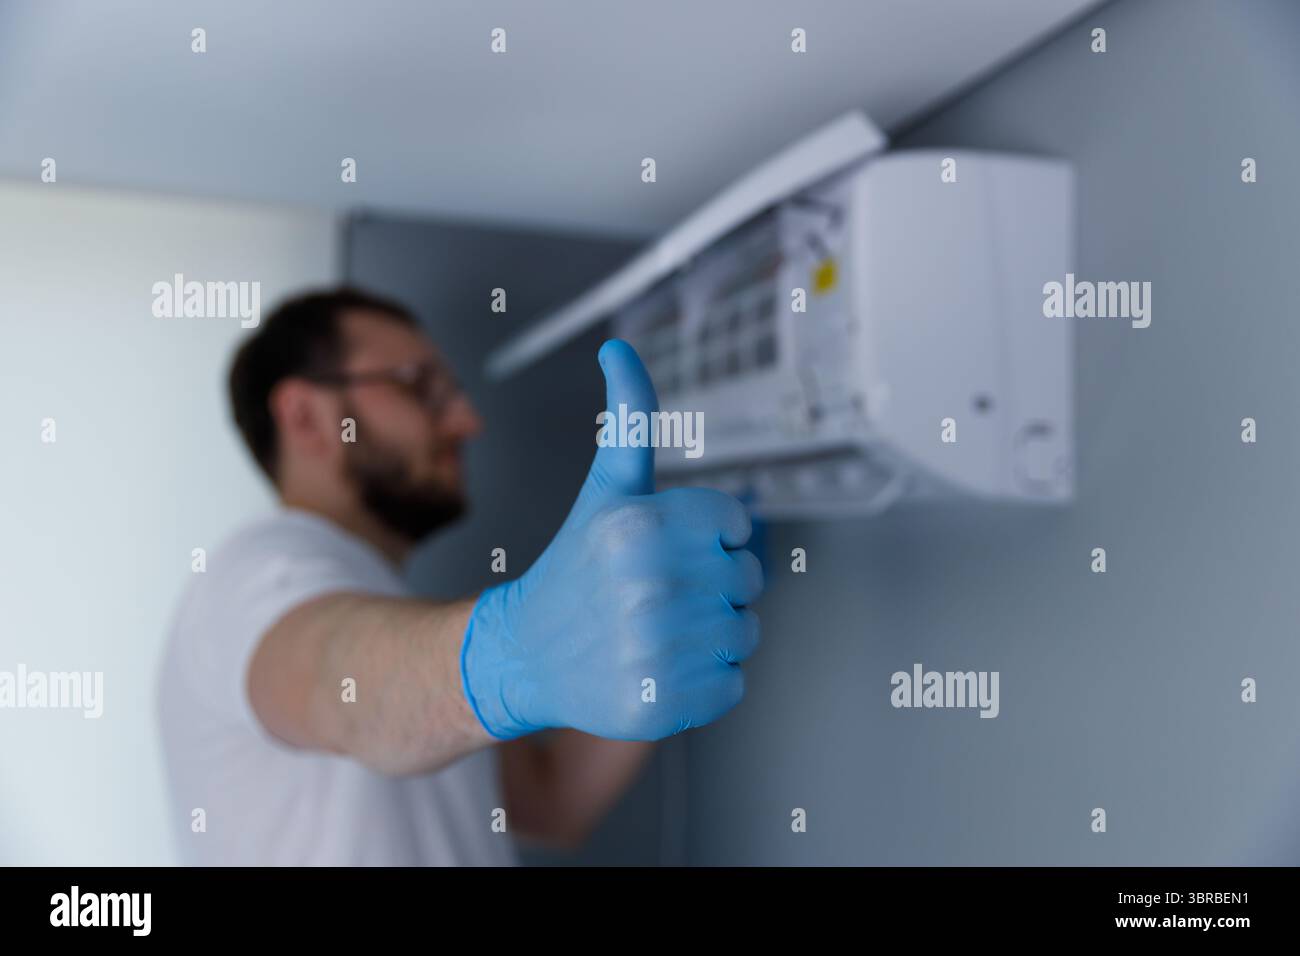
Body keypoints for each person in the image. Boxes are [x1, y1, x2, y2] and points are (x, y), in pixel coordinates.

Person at [157, 287, 763, 865]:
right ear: (307, 417)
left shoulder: (389, 605)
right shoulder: (255, 575)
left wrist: (655, 607)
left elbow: (554, 803)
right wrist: (515, 652)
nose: (468, 420)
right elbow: (344, 682)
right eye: (420, 386)